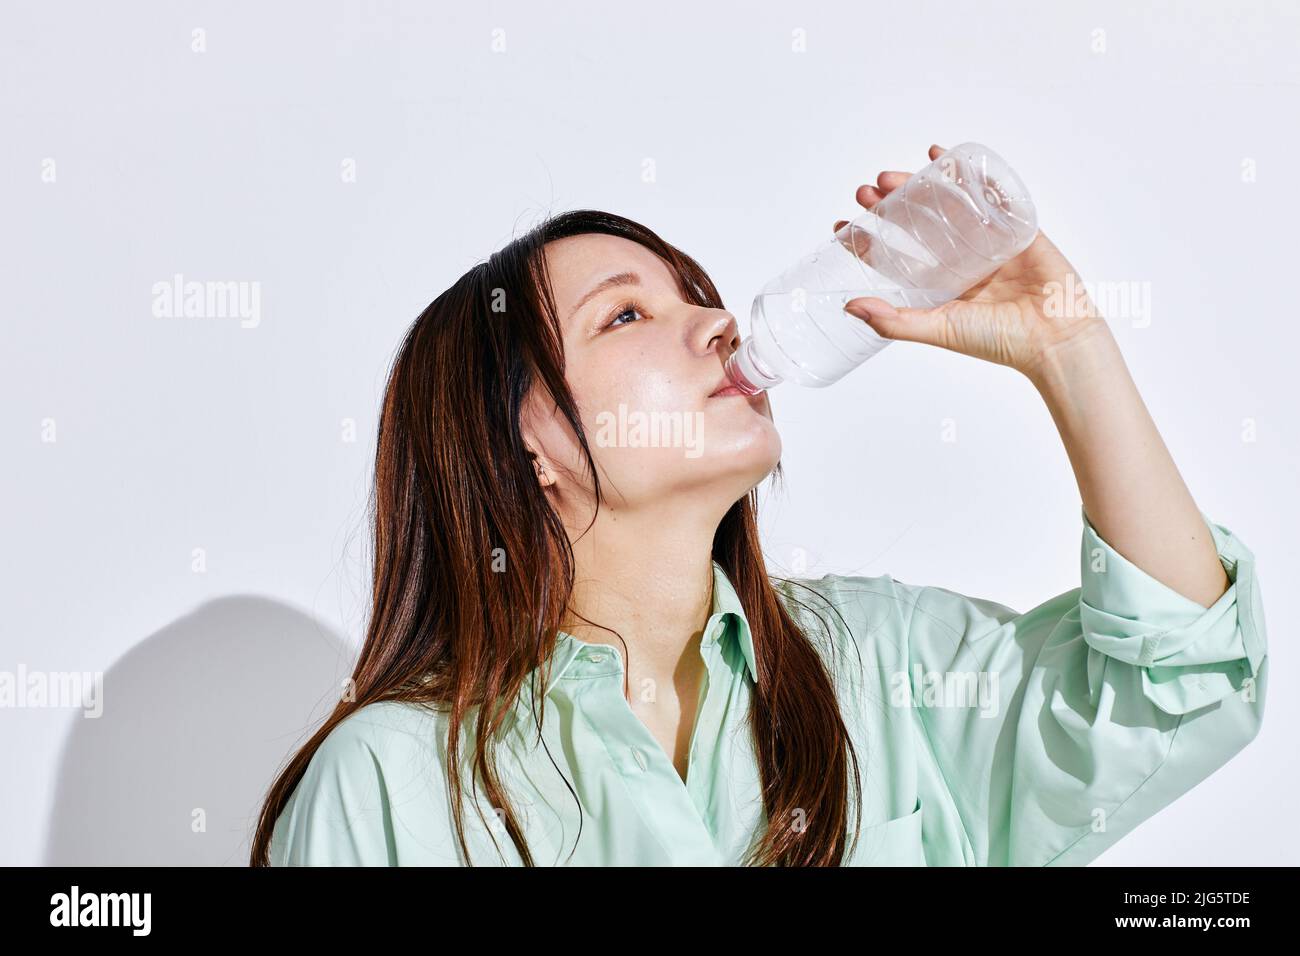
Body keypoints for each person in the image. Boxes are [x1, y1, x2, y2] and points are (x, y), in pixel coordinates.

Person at [249, 145, 1267, 867]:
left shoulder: (877, 664)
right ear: (531, 443)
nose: (718, 324)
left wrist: (1068, 349)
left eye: (698, 294)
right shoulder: (391, 784)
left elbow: (1182, 676)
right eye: (628, 313)